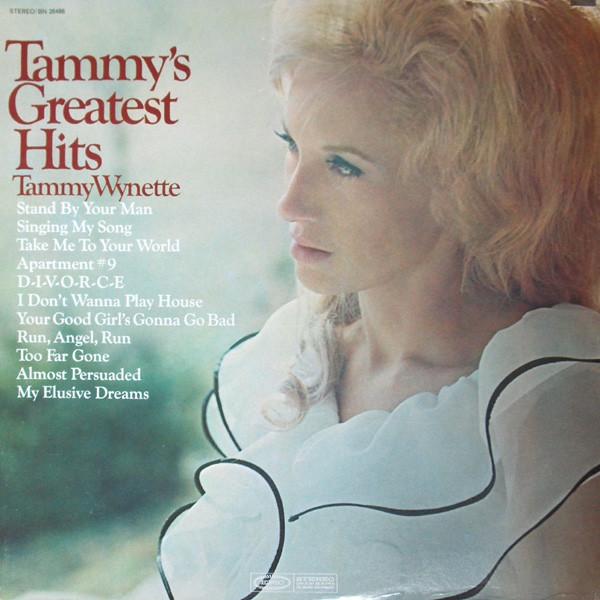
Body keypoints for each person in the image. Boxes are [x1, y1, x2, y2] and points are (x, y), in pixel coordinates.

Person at [158, 0, 600, 598]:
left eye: (344, 166)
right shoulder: (292, 360)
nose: (290, 203)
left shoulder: (545, 400)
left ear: (471, 184)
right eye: (291, 144)